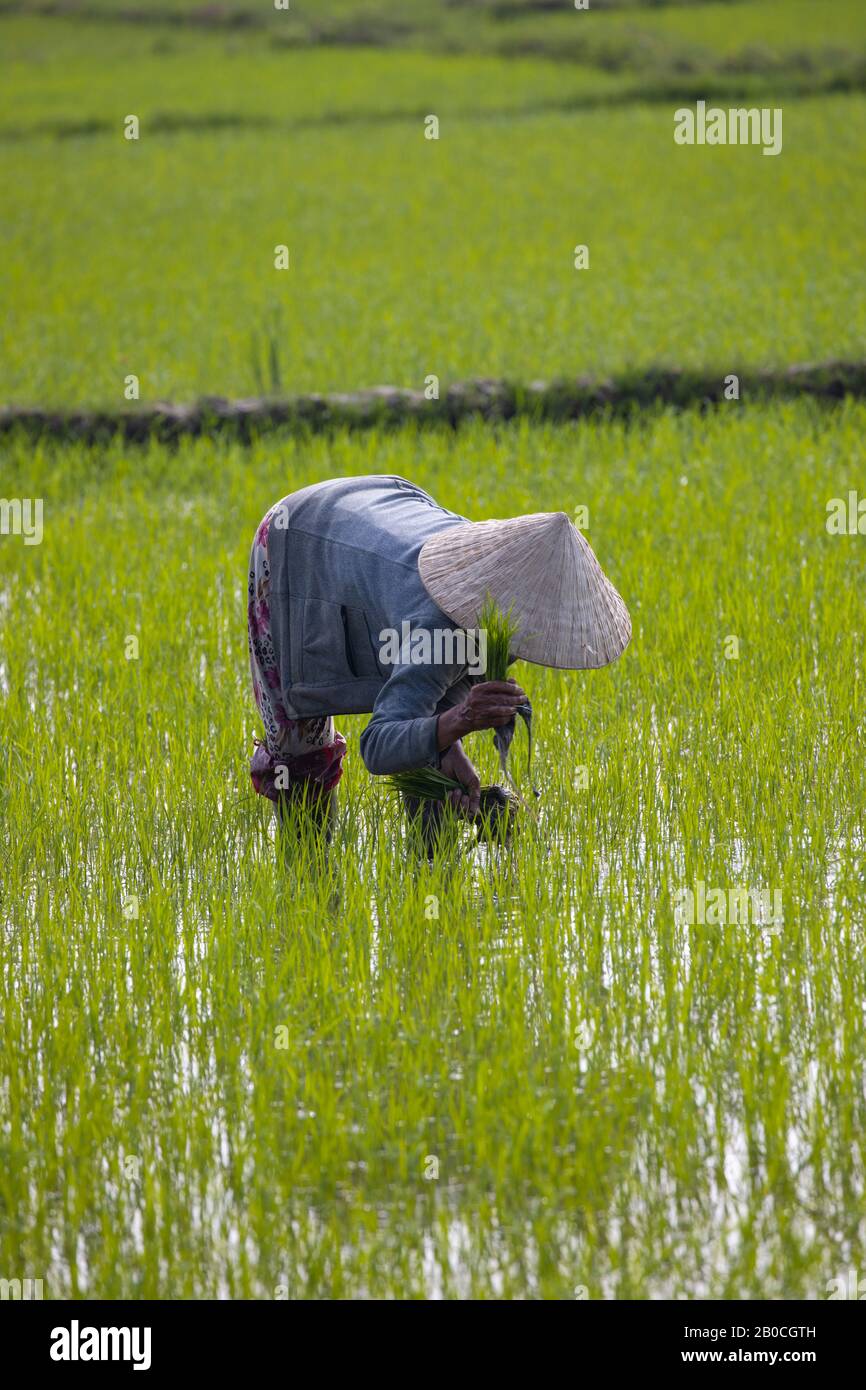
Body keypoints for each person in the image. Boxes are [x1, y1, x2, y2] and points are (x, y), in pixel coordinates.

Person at [247, 474, 630, 835]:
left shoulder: (503, 613)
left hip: (376, 518)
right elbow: (377, 747)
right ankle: (310, 882)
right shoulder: (436, 625)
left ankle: (431, 878)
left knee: (432, 761)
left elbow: (435, 697)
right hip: (294, 542)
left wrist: (446, 743)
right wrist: (459, 719)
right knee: (301, 772)